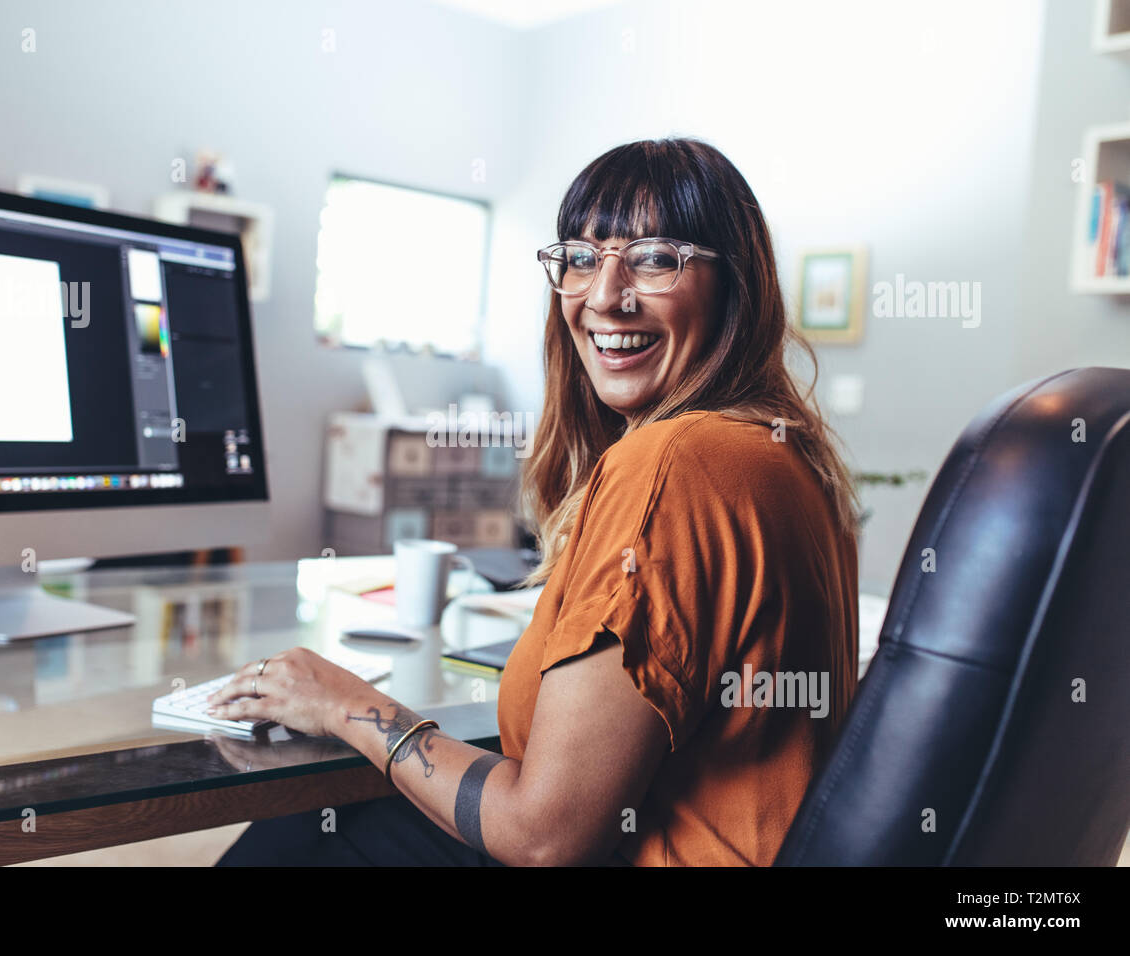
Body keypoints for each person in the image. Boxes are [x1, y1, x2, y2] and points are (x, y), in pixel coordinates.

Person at [211, 137, 860, 867]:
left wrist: (348, 706)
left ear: (734, 284)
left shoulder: (676, 460)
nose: (604, 296)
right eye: (581, 258)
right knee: (315, 826)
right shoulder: (786, 455)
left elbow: (545, 836)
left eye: (653, 257)